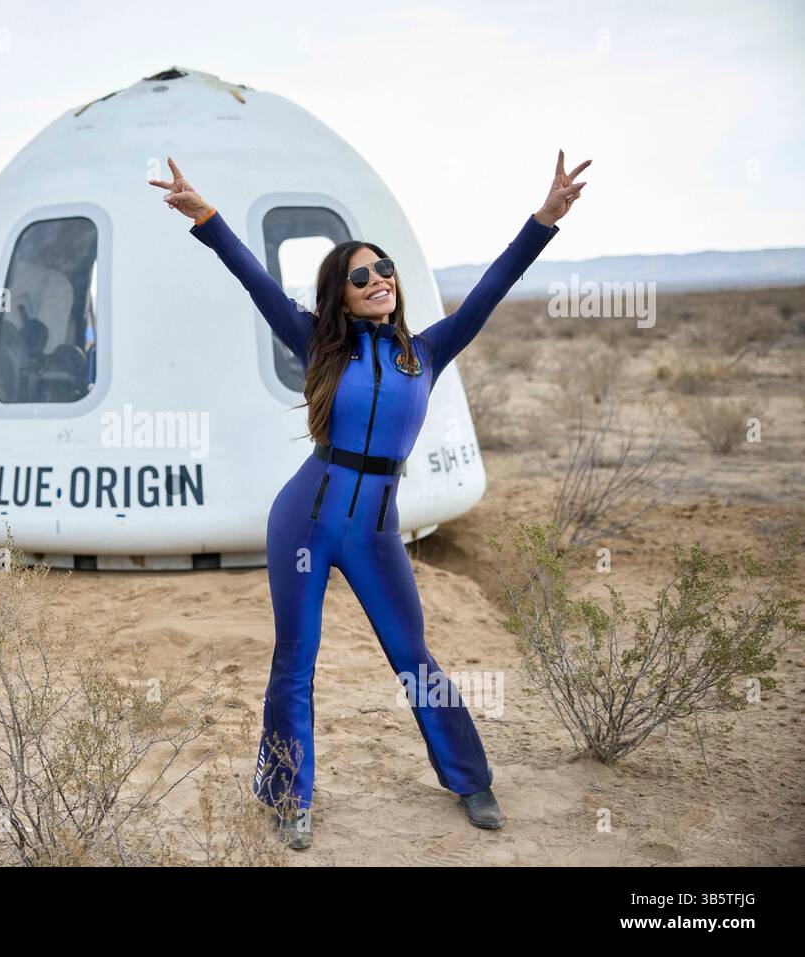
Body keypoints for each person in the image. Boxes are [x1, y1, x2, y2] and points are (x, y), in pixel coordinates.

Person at [149, 150, 589, 849]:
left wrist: (545, 219)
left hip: (377, 529)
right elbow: (253, 279)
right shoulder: (317, 344)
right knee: (296, 656)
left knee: (413, 655)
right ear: (342, 295)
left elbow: (492, 288)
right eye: (361, 275)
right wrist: (207, 218)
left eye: (383, 269)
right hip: (306, 518)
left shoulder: (428, 351)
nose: (378, 279)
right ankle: (288, 794)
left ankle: (470, 780)